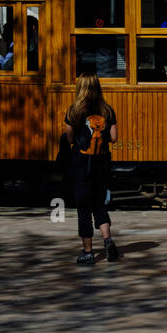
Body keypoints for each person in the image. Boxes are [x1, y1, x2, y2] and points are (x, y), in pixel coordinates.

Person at [64, 72, 119, 264]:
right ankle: (108, 240)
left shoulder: (74, 111)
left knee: (83, 209)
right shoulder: (107, 110)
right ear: (97, 87)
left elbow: (70, 139)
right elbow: (114, 138)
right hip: (101, 165)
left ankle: (88, 252)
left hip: (81, 166)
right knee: (99, 204)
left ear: (80, 88)